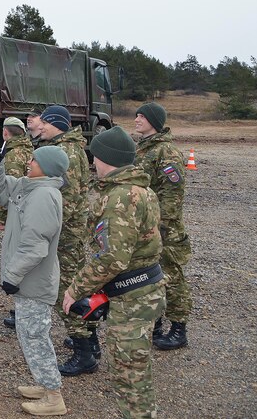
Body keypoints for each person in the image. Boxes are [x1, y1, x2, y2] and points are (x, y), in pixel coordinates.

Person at [63, 127, 164, 419]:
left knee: (130, 374)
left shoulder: (119, 198)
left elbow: (112, 259)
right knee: (135, 369)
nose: (92, 162)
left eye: (94, 156)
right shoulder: (141, 189)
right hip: (144, 290)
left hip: (133, 296)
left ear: (105, 158)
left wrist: (75, 289)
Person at [0, 145, 69, 417]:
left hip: (34, 281)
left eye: (35, 159)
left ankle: (53, 396)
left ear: (47, 167)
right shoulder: (27, 186)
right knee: (29, 335)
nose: (29, 161)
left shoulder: (43, 195)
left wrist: (11, 275)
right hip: (27, 280)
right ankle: (45, 384)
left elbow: (35, 247)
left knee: (35, 336)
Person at [32, 106, 97, 375]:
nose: (40, 126)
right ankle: (90, 342)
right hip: (72, 231)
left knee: (65, 292)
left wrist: (44, 230)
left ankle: (85, 352)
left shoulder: (65, 152)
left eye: (45, 122)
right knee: (77, 286)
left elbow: (66, 201)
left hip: (65, 234)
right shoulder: (68, 147)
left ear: (57, 124)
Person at [134, 102, 192, 350]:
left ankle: (178, 329)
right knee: (149, 275)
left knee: (171, 276)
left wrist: (163, 225)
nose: (136, 119)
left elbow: (173, 193)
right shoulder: (144, 150)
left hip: (163, 229)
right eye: (136, 115)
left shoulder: (165, 152)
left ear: (153, 122)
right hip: (146, 225)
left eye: (141, 116)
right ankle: (155, 323)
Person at [0, 117, 37, 331]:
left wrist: (3, 219)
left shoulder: (12, 155)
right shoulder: (30, 150)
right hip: (30, 211)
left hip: (19, 214)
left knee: (18, 259)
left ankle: (22, 309)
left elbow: (9, 191)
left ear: (5, 133)